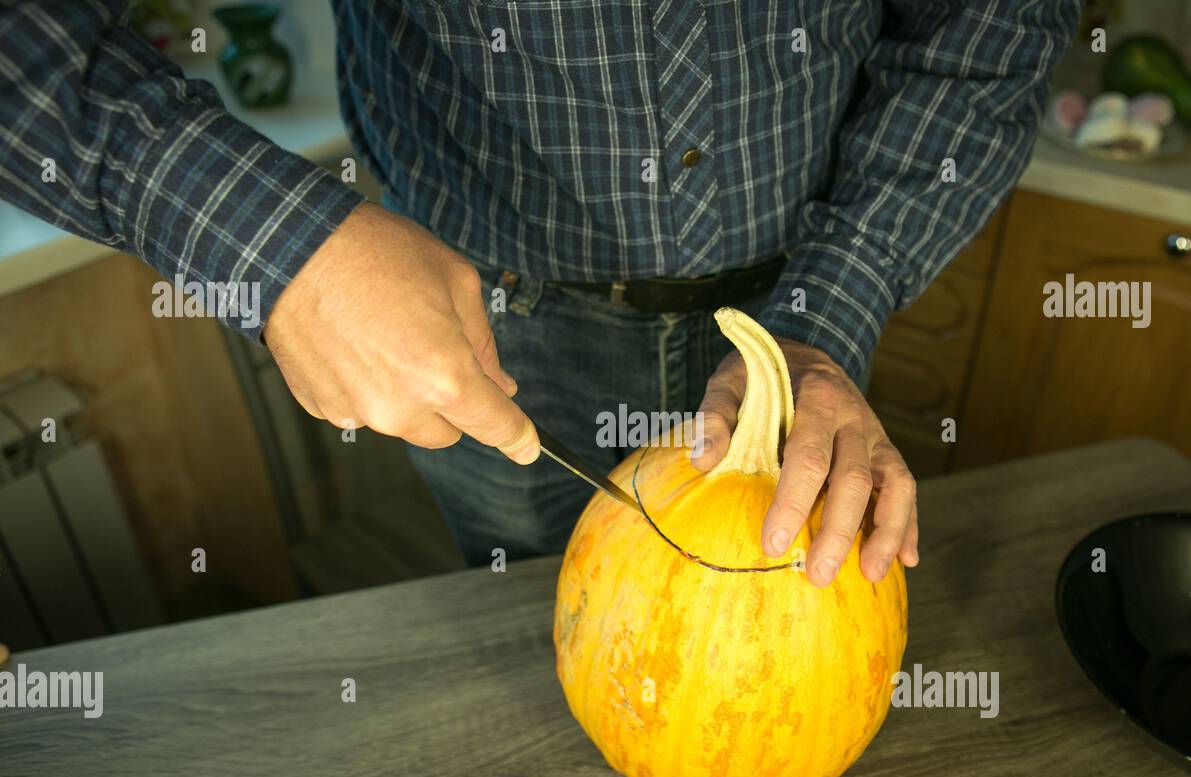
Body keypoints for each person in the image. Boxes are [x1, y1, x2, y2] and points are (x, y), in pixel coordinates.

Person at [0, 0, 1080, 587]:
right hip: (487, 315)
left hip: (802, 301)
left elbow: (988, 31)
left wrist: (829, 315)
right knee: (528, 606)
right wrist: (276, 241)